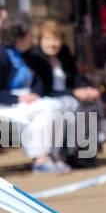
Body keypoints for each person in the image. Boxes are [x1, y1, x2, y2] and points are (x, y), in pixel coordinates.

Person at [0, 13, 72, 173]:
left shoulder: (30, 56)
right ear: (20, 36)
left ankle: (47, 157)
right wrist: (18, 98)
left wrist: (33, 95)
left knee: (53, 107)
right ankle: (42, 158)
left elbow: (38, 83)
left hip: (25, 105)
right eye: (30, 34)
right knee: (46, 110)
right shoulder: (2, 56)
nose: (33, 37)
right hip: (6, 105)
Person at [33, 19, 106, 157]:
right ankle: (65, 152)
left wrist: (87, 89)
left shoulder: (64, 53)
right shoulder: (36, 58)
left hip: (69, 96)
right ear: (40, 40)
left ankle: (85, 152)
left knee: (93, 103)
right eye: (48, 39)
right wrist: (74, 93)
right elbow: (43, 90)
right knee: (73, 107)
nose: (53, 44)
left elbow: (76, 77)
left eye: (56, 40)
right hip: (49, 99)